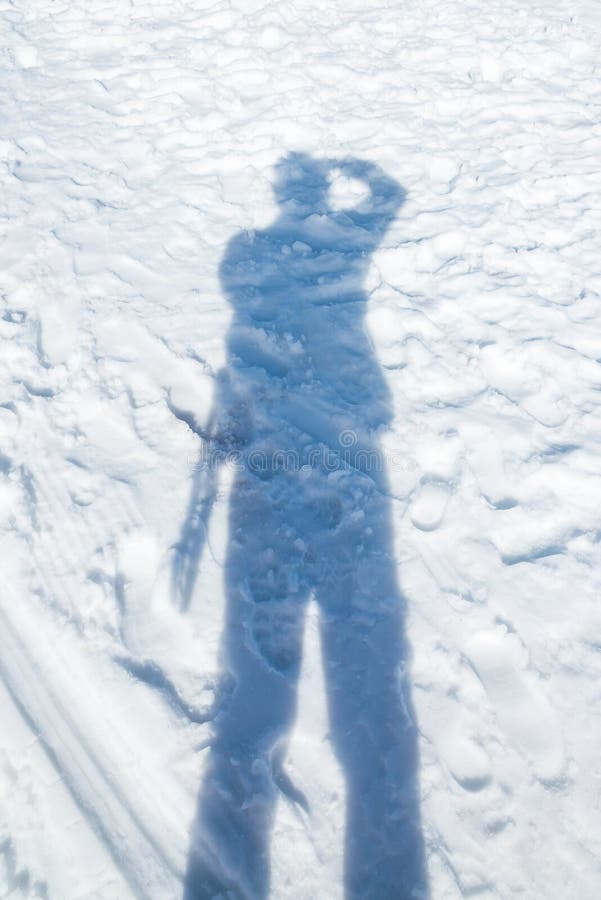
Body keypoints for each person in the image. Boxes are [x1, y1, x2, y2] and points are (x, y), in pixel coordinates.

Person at [177, 153, 427, 899]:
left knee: (274, 651)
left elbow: (239, 298)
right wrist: (357, 169)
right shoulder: (341, 242)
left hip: (280, 446)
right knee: (364, 658)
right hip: (345, 442)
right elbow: (390, 195)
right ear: (309, 193)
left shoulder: (251, 252)